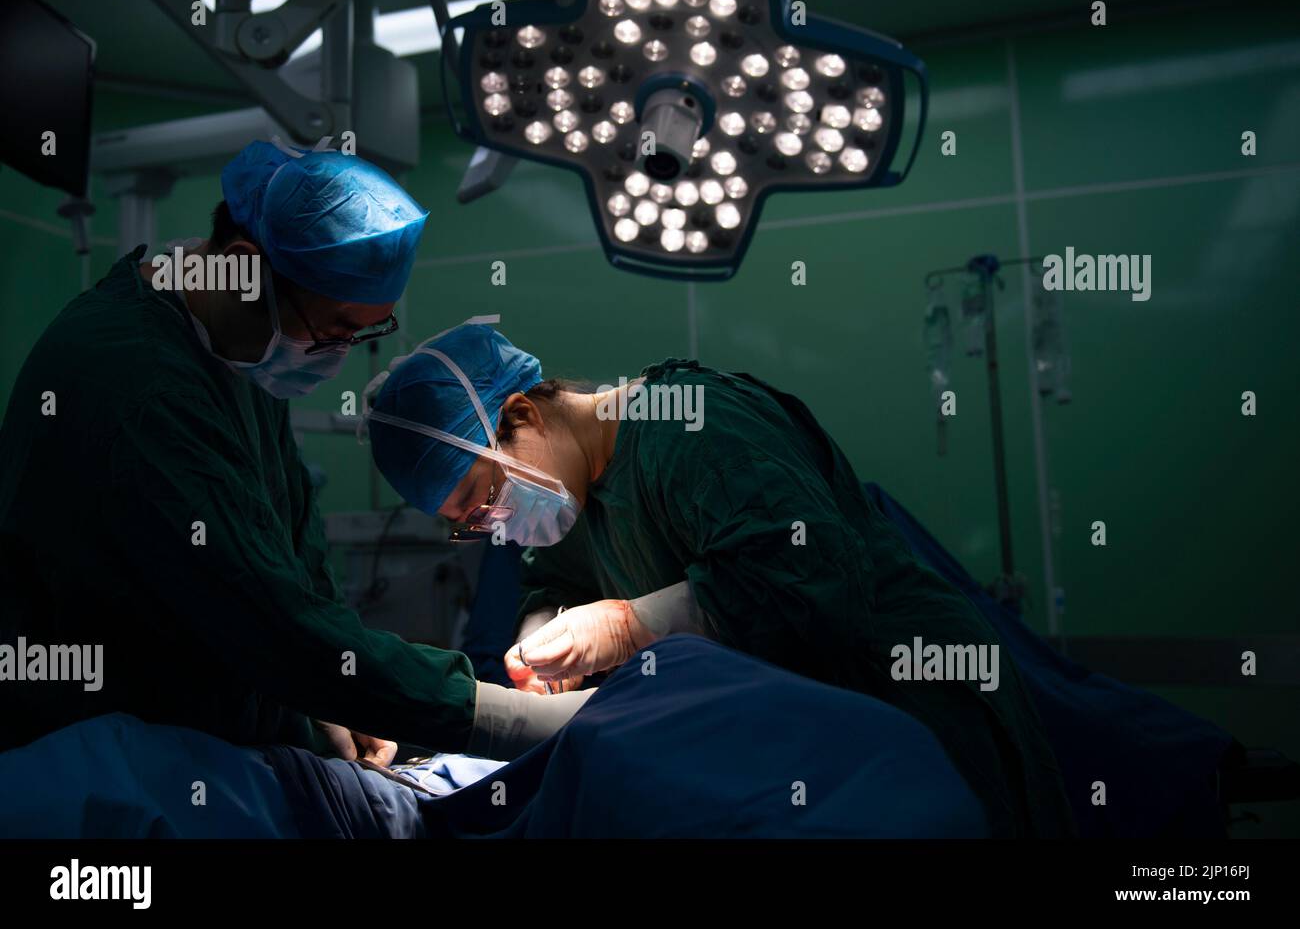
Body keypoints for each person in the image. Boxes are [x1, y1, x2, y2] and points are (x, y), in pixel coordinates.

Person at [366, 321, 1076, 837]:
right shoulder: (576, 498)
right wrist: (540, 633)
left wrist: (628, 624)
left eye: (485, 495)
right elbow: (549, 580)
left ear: (520, 414)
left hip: (917, 707)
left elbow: (807, 581)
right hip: (817, 756)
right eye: (471, 522)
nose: (494, 522)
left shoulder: (693, 428)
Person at [0, 141, 588, 763]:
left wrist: (331, 699)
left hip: (207, 744)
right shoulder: (138, 384)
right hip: (103, 757)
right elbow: (261, 618)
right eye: (335, 332)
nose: (339, 357)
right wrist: (507, 716)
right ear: (243, 271)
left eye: (364, 333)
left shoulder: (244, 352)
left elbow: (296, 564)